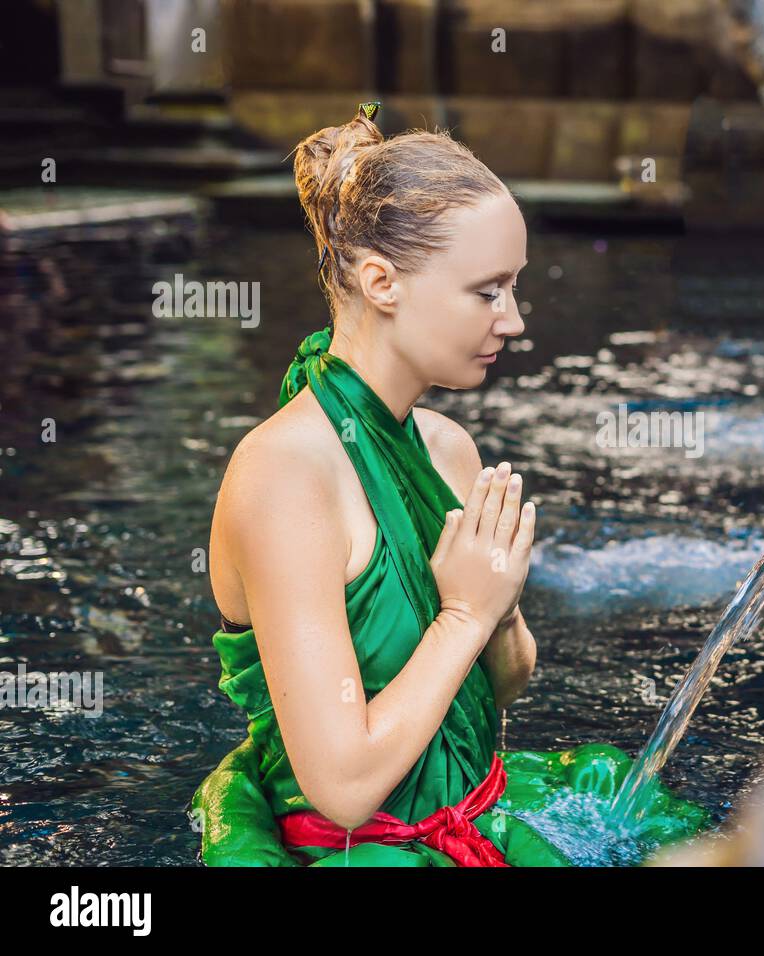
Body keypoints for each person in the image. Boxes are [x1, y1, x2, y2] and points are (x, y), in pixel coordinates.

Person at [190, 103, 708, 866]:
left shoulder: (447, 447)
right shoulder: (283, 478)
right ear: (381, 282)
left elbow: (499, 688)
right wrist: (464, 613)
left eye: (514, 288)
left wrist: (496, 612)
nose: (516, 320)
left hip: (480, 811)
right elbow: (342, 783)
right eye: (488, 291)